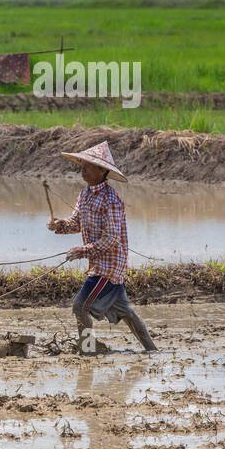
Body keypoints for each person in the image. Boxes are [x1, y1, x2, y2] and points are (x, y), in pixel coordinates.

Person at [47, 141, 157, 354]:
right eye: (83, 164)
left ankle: (88, 350)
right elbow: (76, 223)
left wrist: (83, 251)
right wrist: (58, 225)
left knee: (80, 306)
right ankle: (153, 351)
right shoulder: (85, 194)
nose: (83, 169)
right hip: (98, 264)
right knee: (126, 313)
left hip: (109, 267)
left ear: (102, 170)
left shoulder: (112, 199)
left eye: (88, 165)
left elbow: (112, 238)